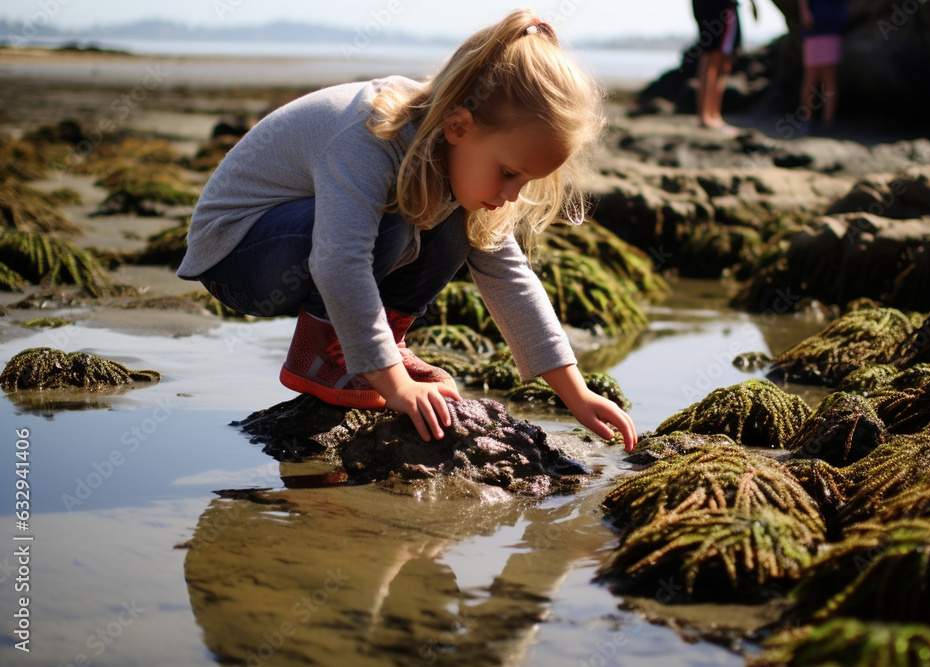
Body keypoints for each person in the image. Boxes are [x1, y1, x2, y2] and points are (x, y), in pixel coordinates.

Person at [176, 9, 636, 450]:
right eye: (509, 173)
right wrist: (394, 385)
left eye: (525, 182)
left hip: (300, 248)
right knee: (393, 216)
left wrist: (575, 392)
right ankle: (322, 354)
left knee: (464, 225)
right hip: (237, 256)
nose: (512, 194)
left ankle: (385, 343)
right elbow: (340, 262)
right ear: (458, 126)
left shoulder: (456, 155)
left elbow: (510, 278)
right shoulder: (372, 131)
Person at [691, 0, 753, 132]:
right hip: (718, 6)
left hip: (723, 6)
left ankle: (713, 114)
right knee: (712, 55)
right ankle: (706, 116)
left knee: (724, 60)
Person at [798, 0, 849, 134]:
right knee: (811, 78)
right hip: (814, 25)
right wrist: (804, 12)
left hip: (833, 25)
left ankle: (828, 123)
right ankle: (807, 121)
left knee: (829, 78)